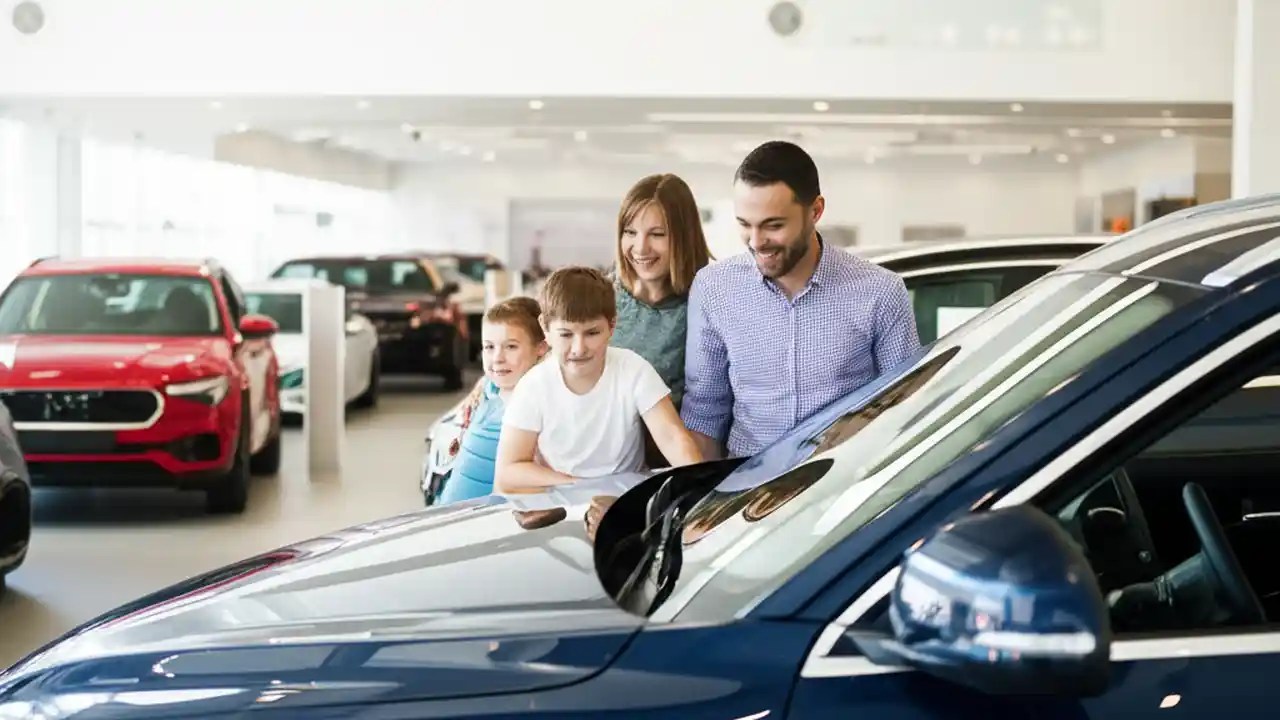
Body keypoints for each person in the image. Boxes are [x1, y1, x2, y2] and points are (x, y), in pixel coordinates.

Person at [681, 140, 922, 461]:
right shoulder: (714, 288)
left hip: (844, 488)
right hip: (745, 491)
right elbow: (705, 413)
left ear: (816, 211)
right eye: (744, 224)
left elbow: (903, 412)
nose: (756, 242)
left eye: (774, 226)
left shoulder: (880, 291)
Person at [494, 266, 702, 494]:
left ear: (612, 327)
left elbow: (673, 438)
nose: (578, 348)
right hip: (562, 497)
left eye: (592, 333)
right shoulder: (533, 386)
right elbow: (508, 471)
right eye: (565, 334)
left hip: (626, 499)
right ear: (545, 327)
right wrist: (579, 486)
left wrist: (700, 488)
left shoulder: (633, 368)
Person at [610, 173, 713, 411]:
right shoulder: (600, 298)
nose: (640, 248)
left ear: (684, 238)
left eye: (657, 234)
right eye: (630, 232)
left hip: (676, 442)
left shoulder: (709, 305)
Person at [437, 296, 547, 504]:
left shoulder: (536, 405)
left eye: (511, 347)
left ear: (541, 347)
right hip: (447, 515)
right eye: (489, 347)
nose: (497, 358)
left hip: (483, 525)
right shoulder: (491, 387)